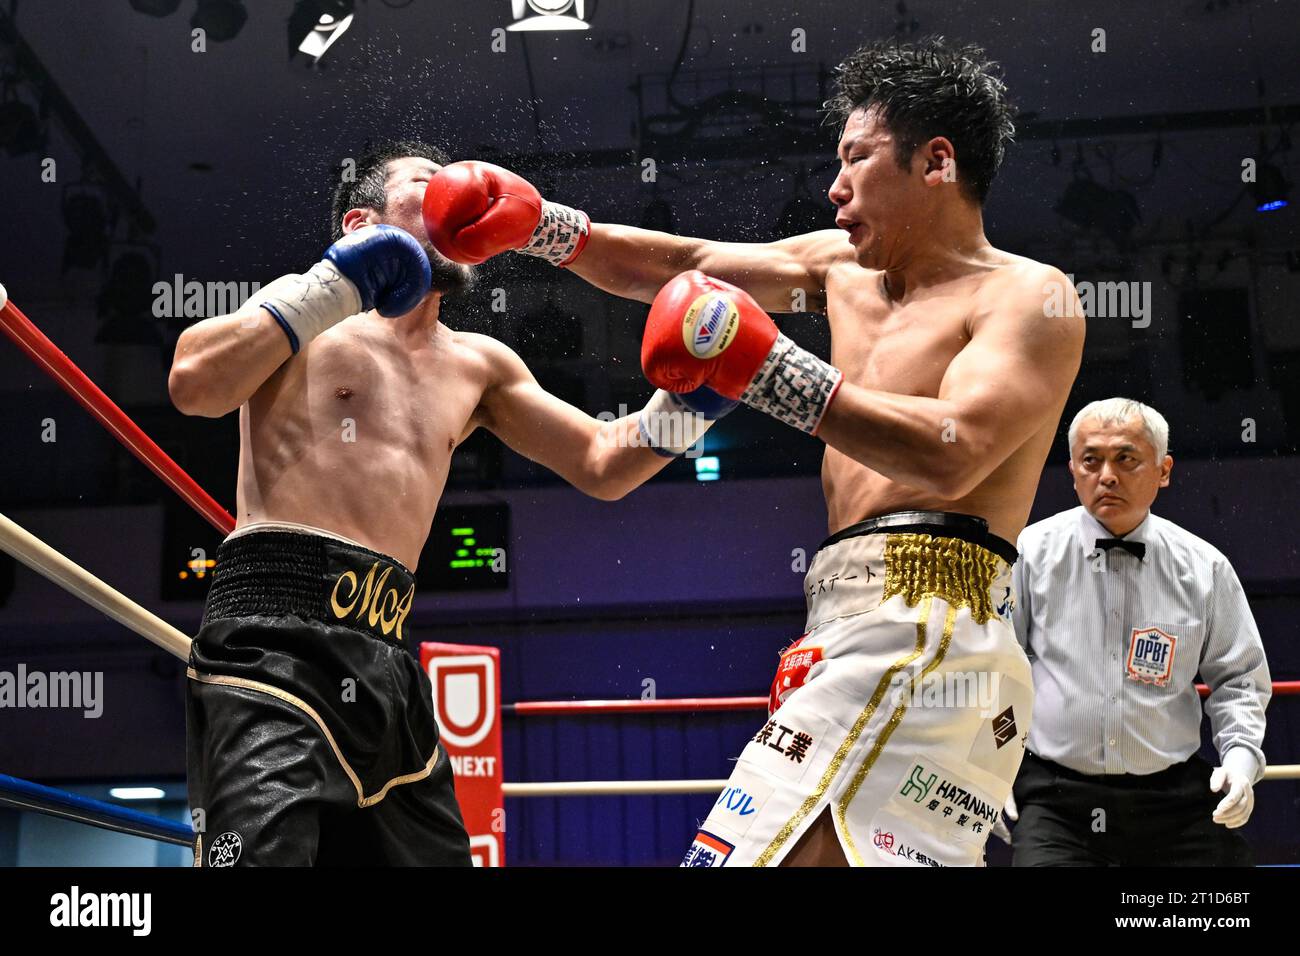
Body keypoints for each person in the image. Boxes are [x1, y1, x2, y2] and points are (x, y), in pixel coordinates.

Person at [422, 37, 1086, 866]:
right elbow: (686, 265)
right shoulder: (839, 268)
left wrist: (763, 367)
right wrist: (542, 227)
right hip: (866, 625)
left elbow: (955, 454)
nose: (833, 187)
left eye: (856, 158)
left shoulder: (1029, 296)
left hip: (927, 618)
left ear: (936, 161)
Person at [168, 141, 705, 866]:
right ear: (363, 222)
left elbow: (605, 463)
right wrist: (330, 285)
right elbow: (193, 384)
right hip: (273, 645)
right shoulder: (305, 311)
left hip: (388, 664)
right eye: (429, 186)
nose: (460, 197)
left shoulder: (480, 364)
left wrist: (700, 400)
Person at [1000, 397, 1270, 866]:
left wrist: (1241, 762)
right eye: (1091, 460)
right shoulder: (1030, 553)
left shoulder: (1204, 567)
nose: (1107, 475)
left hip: (1172, 799)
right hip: (1055, 799)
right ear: (1072, 470)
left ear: (1163, 470)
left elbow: (1239, 679)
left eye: (1125, 458)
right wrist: (992, 768)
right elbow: (997, 668)